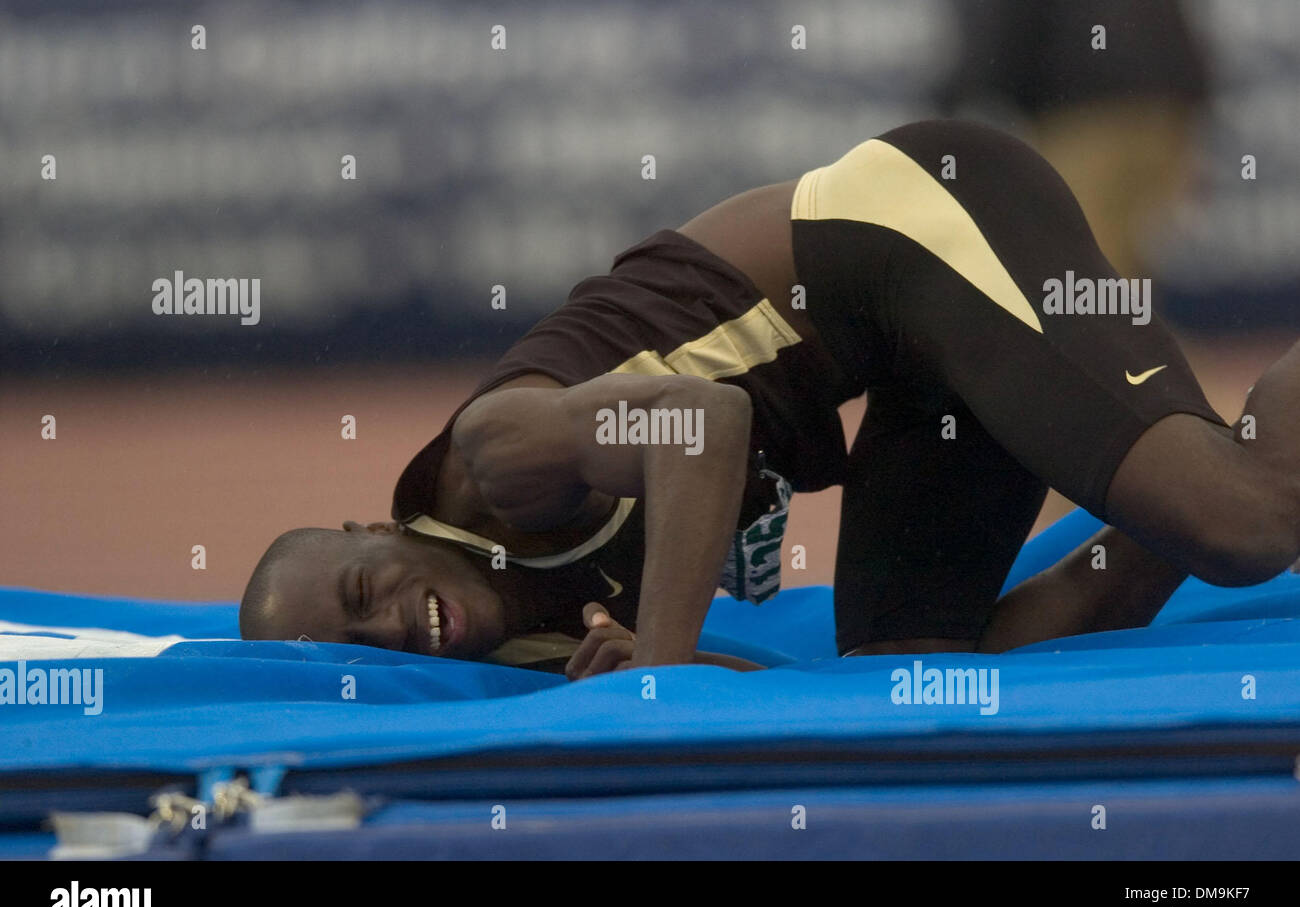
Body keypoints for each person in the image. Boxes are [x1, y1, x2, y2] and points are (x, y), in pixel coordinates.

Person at [240, 119, 1300, 679]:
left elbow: (703, 425)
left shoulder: (498, 457)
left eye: (362, 591)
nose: (391, 629)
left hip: (921, 224)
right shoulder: (524, 629)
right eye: (360, 649)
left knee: (1246, 527)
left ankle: (1217, 482)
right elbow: (745, 673)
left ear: (374, 529)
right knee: (920, 671)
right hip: (905, 363)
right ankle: (1230, 448)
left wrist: (658, 670)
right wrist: (682, 659)